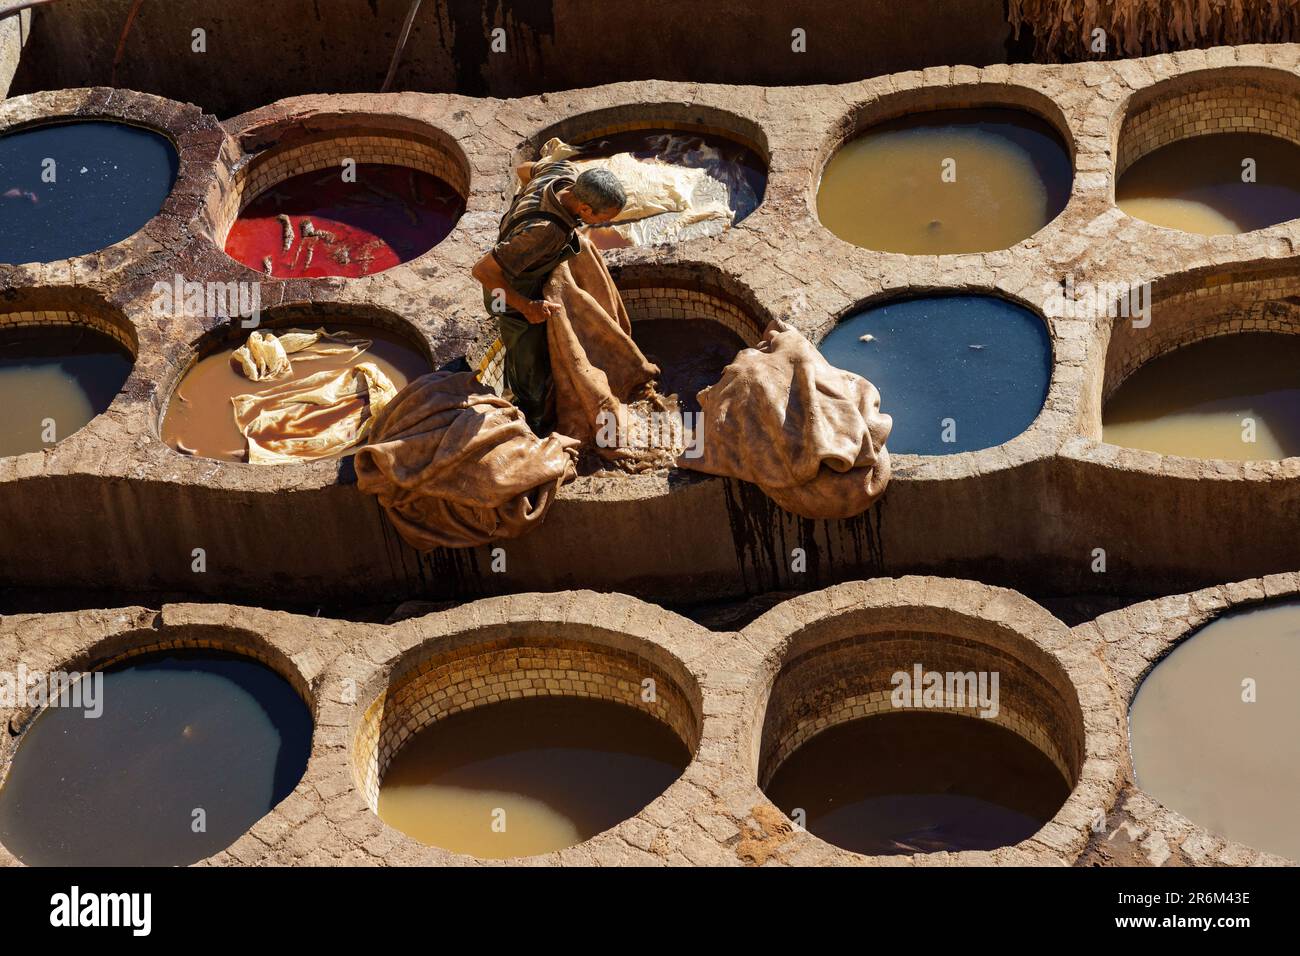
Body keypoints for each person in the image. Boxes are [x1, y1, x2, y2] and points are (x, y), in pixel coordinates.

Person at [472, 157, 626, 434]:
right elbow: (483, 271)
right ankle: (533, 417)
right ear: (584, 208)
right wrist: (527, 306)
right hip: (505, 290)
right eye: (601, 219)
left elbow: (522, 170)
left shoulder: (562, 173)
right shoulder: (544, 232)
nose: (602, 225)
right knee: (526, 360)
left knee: (535, 344)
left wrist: (523, 210)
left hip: (520, 260)